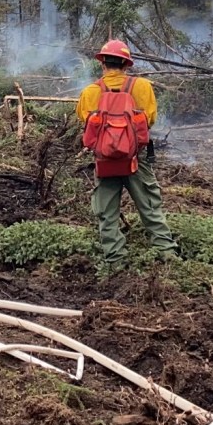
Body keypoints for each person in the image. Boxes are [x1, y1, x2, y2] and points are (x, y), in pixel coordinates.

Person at [77, 39, 180, 269]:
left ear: (102, 63)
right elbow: (150, 119)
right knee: (150, 208)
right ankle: (167, 255)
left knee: (107, 213)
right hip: (136, 159)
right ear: (127, 65)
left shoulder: (90, 92)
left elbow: (85, 121)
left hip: (104, 161)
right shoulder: (142, 86)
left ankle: (115, 261)